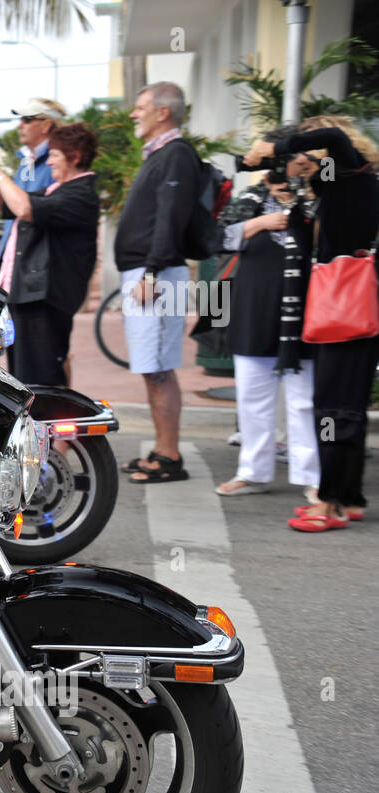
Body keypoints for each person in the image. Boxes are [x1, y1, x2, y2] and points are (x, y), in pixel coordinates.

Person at [244, 116, 379, 530]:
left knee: (335, 407)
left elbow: (333, 137)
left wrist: (277, 146)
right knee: (345, 406)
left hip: (348, 310)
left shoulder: (353, 177)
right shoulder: (334, 188)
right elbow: (308, 246)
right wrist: (299, 198)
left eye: (306, 154)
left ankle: (332, 503)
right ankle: (349, 497)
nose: (298, 162)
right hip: (341, 309)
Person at [213, 166, 319, 499]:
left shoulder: (317, 198)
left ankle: (313, 477)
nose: (285, 177)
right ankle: (252, 472)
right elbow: (217, 239)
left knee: (304, 400)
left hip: (303, 310)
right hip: (254, 308)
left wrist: (297, 205)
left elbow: (330, 237)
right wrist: (260, 222)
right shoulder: (251, 199)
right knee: (252, 398)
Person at [114, 81, 202, 484]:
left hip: (159, 276)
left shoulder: (177, 154)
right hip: (151, 273)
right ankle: (161, 449)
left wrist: (151, 272)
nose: (134, 113)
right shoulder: (162, 154)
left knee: (161, 368)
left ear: (163, 112)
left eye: (140, 106)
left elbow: (171, 217)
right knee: (153, 368)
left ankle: (169, 456)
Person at [0, 122, 100, 387]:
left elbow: (24, 208)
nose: (50, 162)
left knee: (41, 381)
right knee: (25, 378)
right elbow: (6, 207)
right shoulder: (57, 190)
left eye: (55, 155)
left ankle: (50, 426)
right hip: (27, 294)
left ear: (75, 158)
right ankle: (36, 426)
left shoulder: (80, 194)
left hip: (45, 298)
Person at [0, 97, 66, 277]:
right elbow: (5, 209)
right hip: (14, 260)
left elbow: (24, 209)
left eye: (27, 120)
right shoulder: (27, 160)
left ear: (45, 125)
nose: (20, 125)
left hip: (36, 268)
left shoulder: (57, 163)